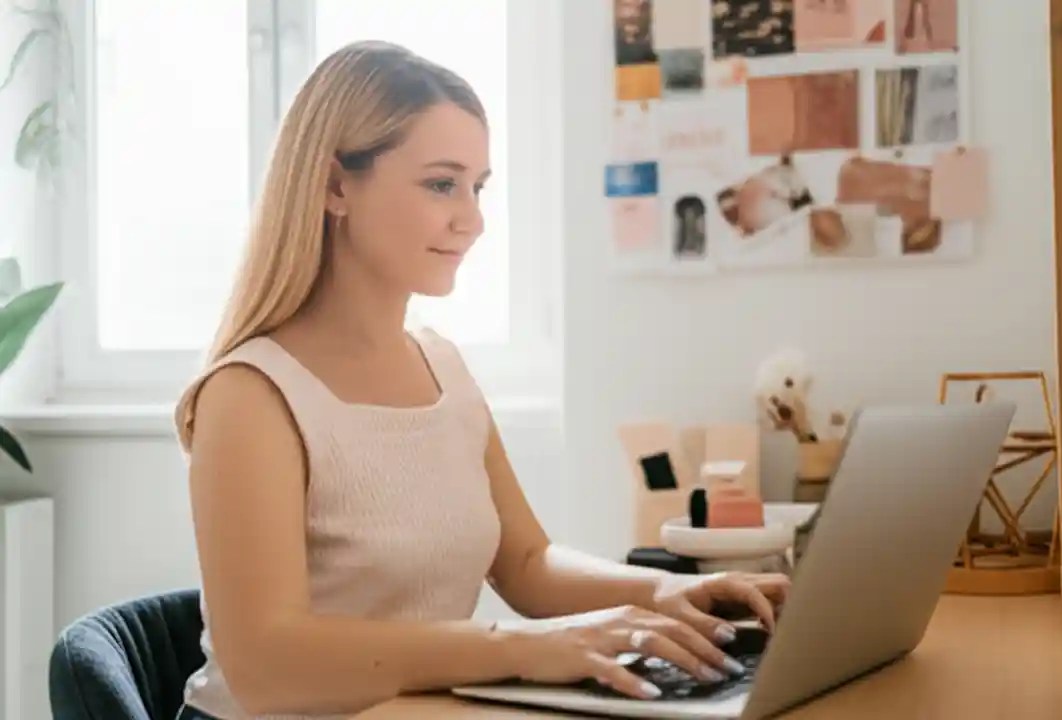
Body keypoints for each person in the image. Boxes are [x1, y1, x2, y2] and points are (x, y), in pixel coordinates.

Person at [172, 41, 788, 720]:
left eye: (479, 186)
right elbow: (266, 665)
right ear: (335, 186)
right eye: (442, 184)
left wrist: (663, 593)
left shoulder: (444, 368)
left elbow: (525, 562)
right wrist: (519, 648)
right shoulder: (251, 395)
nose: (473, 219)